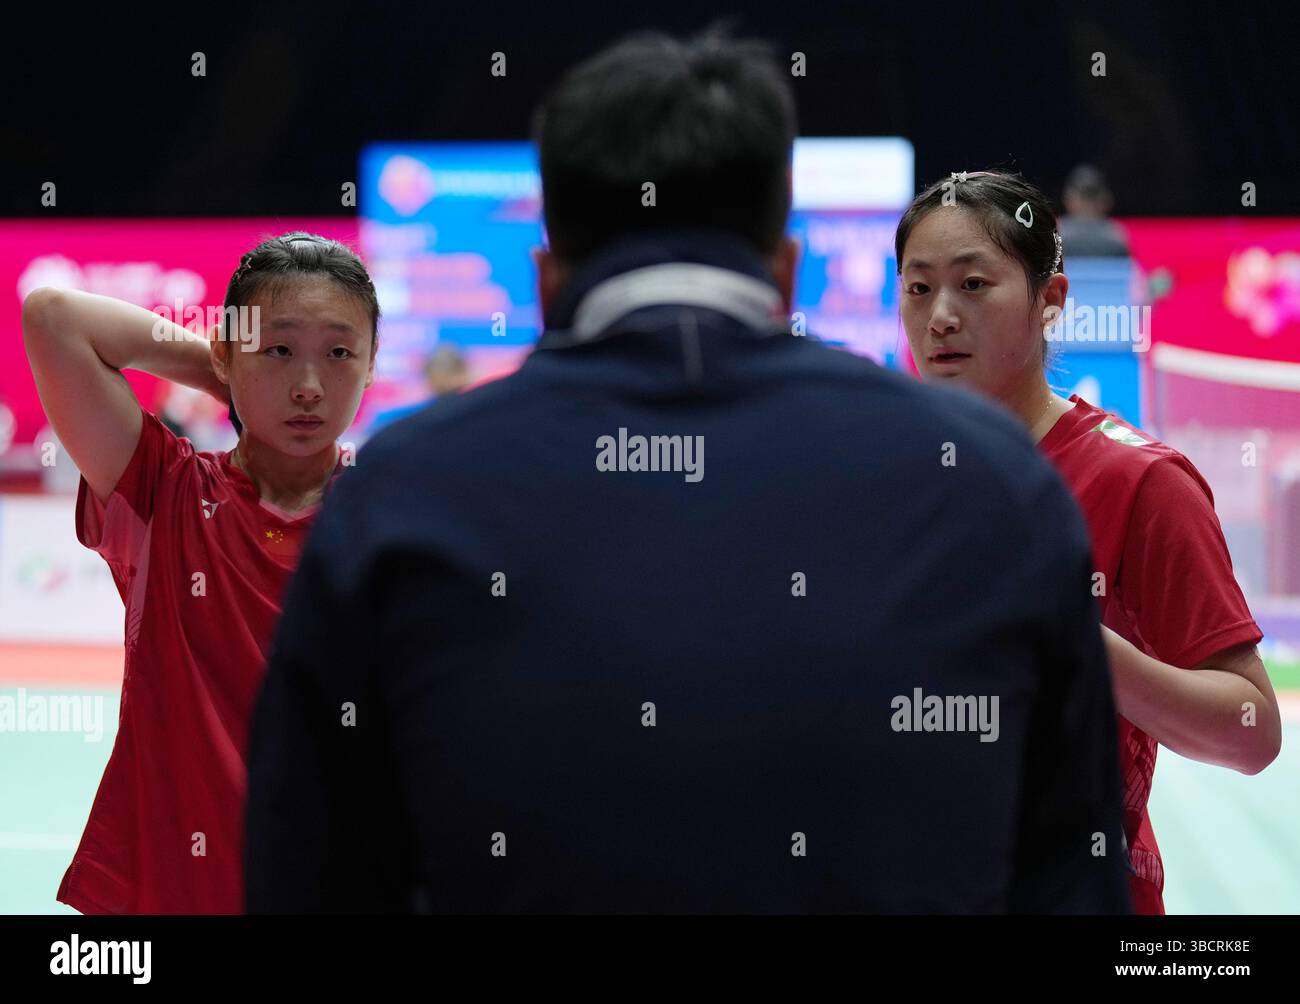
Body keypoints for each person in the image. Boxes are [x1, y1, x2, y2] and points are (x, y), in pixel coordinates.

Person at [246, 30, 1130, 914]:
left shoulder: (395, 498)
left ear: (545, 281)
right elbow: (1071, 880)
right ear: (786, 272)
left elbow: (304, 877)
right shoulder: (991, 485)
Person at [895, 170, 1282, 914]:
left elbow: (1252, 731)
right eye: (919, 289)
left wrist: (1079, 640)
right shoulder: (877, 476)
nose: (940, 315)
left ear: (1052, 302)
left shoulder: (1141, 482)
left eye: (973, 285)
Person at [20, 232, 379, 913]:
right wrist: (227, 373)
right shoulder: (164, 490)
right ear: (228, 348)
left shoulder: (392, 518)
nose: (308, 386)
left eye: (338, 354)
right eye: (278, 350)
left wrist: (252, 370)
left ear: (371, 364)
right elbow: (53, 319)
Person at [1059, 164, 1130, 258]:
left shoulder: (1058, 237)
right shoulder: (1118, 237)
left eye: (1091, 196)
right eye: (1084, 196)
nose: (1087, 204)